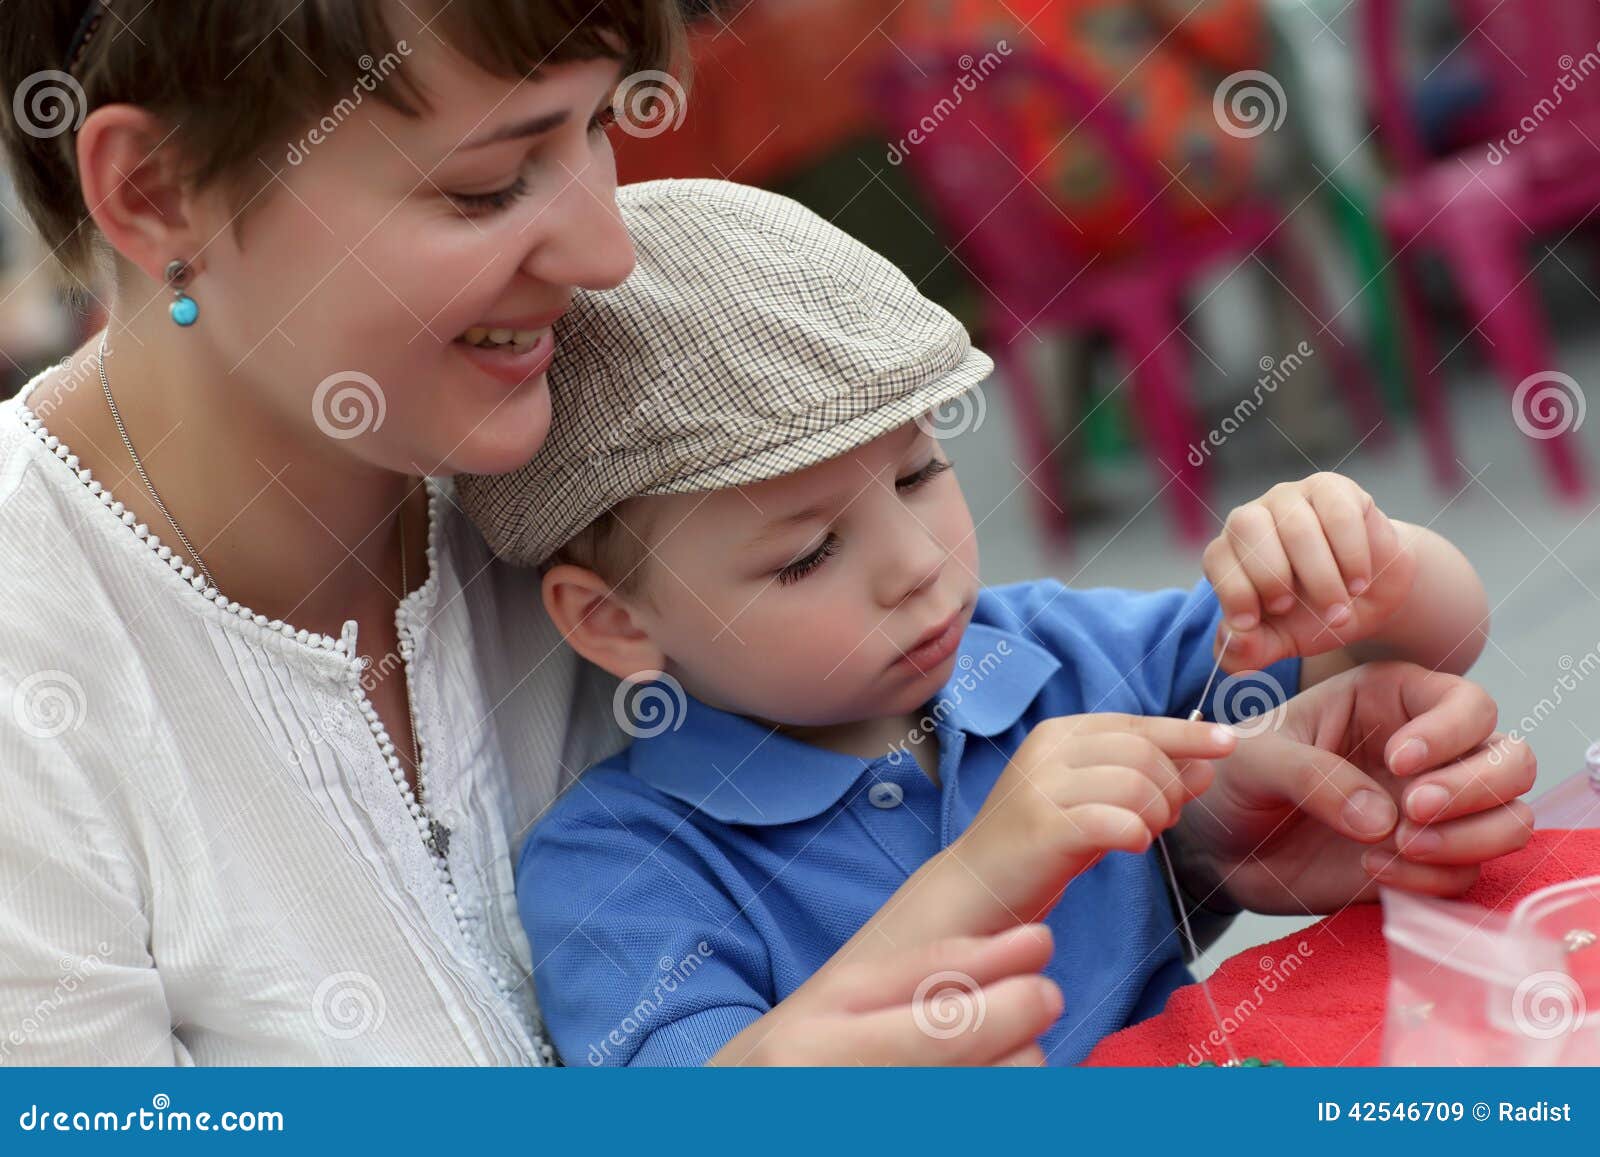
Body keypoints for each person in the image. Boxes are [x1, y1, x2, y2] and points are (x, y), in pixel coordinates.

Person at [0, 0, 1067, 1066]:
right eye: (487, 186)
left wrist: (1201, 831)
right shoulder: (33, 668)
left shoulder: (634, 434)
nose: (607, 249)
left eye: (600, 125)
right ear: (155, 191)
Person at [455, 179, 1531, 1066]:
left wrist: (1365, 564)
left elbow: (1400, 654)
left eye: (922, 472)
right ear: (611, 620)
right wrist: (981, 875)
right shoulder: (624, 861)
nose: (917, 566)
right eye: (808, 553)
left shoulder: (1051, 655)